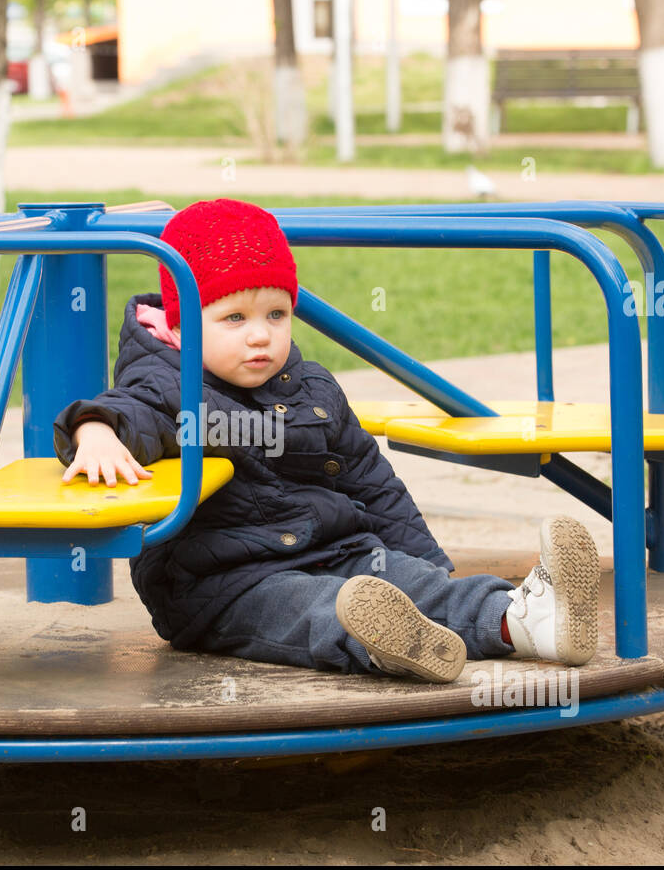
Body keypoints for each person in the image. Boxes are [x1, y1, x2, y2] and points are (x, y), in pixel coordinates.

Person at [53, 199, 601, 683]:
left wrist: (428, 563)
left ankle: (529, 621)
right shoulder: (166, 385)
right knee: (314, 608)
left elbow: (373, 480)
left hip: (342, 553)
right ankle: (388, 646)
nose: (260, 334)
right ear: (180, 324)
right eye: (233, 317)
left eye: (276, 313)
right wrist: (95, 432)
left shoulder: (311, 386)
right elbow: (128, 412)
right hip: (221, 586)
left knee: (415, 583)